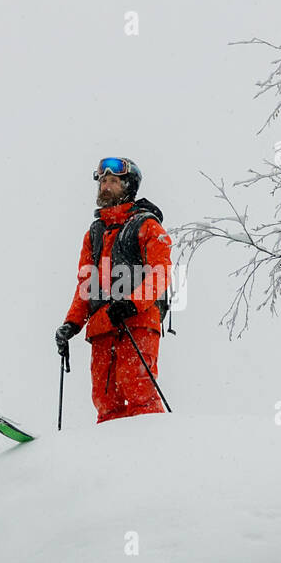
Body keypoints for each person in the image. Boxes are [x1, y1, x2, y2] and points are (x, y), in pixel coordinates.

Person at [55, 157, 171, 423]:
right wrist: (71, 324)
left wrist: (131, 303)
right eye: (103, 181)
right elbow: (86, 284)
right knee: (105, 400)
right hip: (101, 327)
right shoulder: (94, 233)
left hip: (137, 322)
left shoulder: (147, 226)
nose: (105, 186)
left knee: (138, 390)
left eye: (113, 181)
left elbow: (161, 272)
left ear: (128, 186)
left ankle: (154, 450)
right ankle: (112, 458)